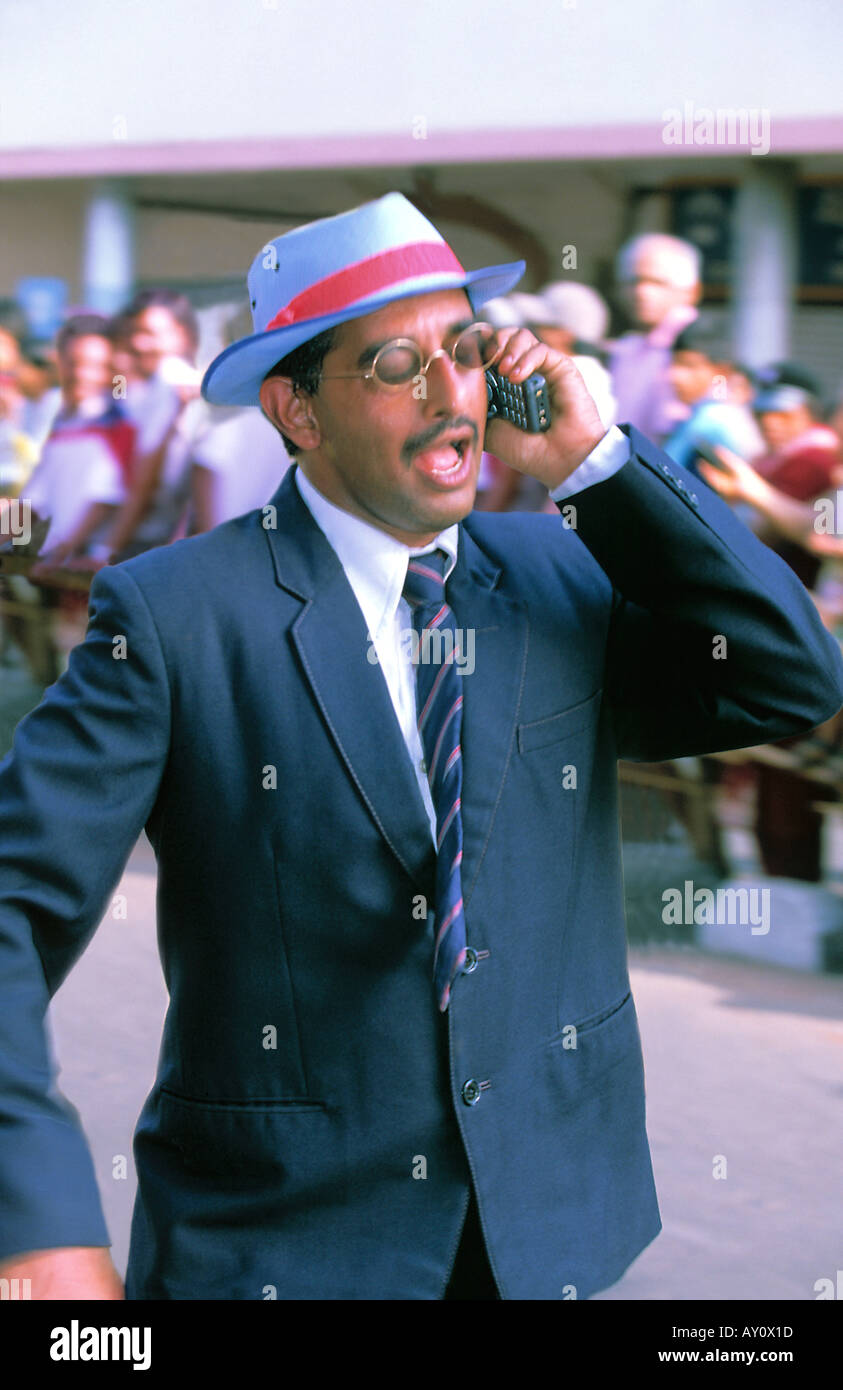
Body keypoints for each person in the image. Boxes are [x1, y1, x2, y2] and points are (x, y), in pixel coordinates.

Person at [0, 192, 841, 1302]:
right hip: (281, 1245)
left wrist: (594, 463)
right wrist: (38, 1220)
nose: (456, 395)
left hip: (551, 1232)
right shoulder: (175, 618)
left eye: (468, 348)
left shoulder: (559, 573)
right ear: (298, 412)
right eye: (400, 363)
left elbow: (789, 672)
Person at [609, 232, 701, 444]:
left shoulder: (705, 345)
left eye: (657, 282)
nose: (642, 292)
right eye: (634, 281)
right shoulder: (627, 348)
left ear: (692, 291)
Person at [665, 322, 764, 476]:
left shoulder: (712, 418)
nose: (674, 376)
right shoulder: (714, 412)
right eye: (673, 364)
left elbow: (666, 471)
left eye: (689, 366)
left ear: (721, 372)